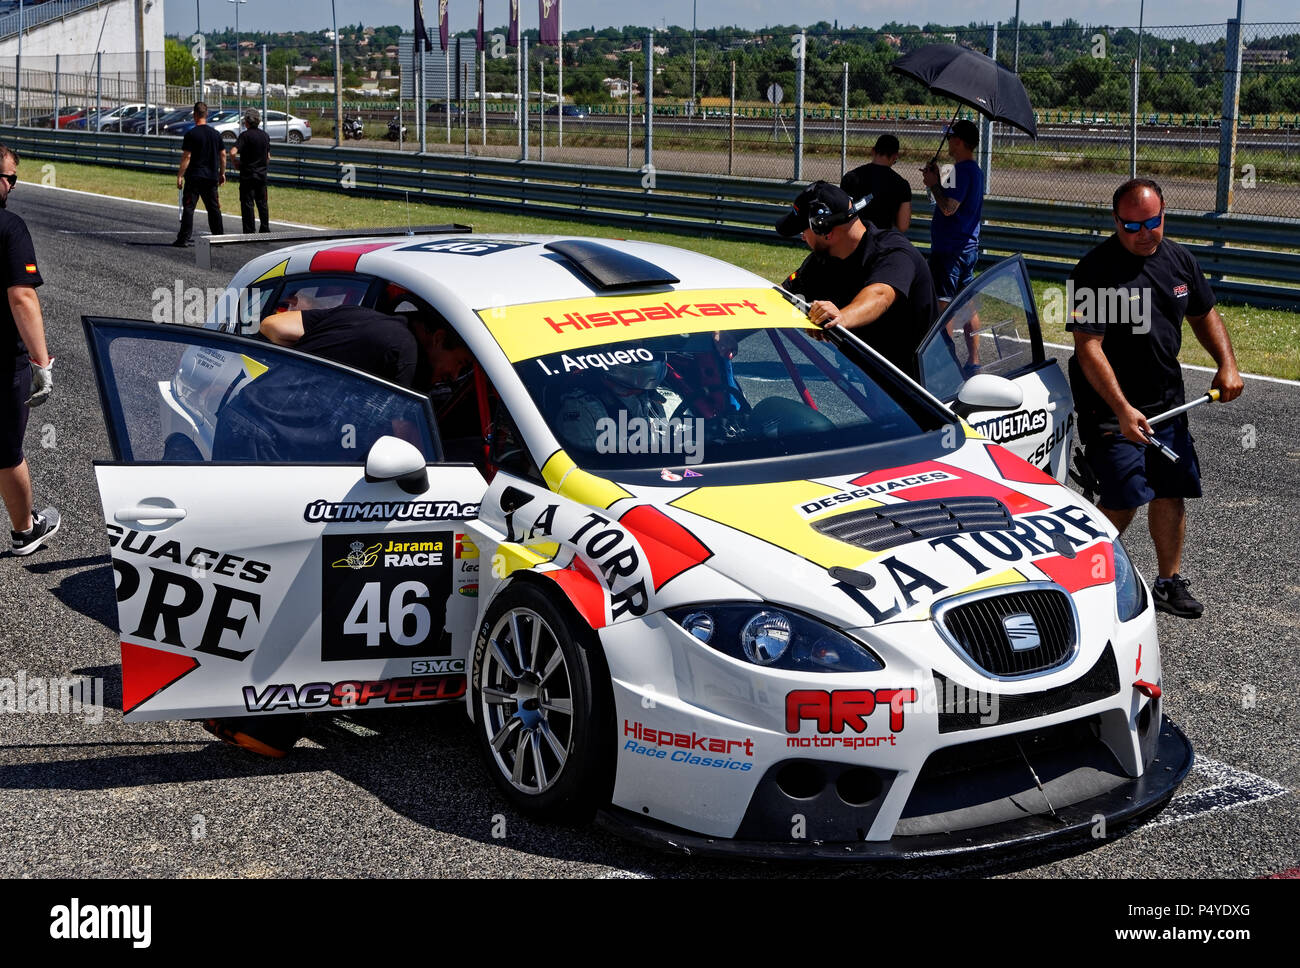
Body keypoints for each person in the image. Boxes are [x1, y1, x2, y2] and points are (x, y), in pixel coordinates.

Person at [1066, 177, 1243, 619]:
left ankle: (1168, 582)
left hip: (1169, 401)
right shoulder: (1093, 272)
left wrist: (1227, 363)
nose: (1144, 233)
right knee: (1123, 498)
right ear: (1115, 221)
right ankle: (1073, 582)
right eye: (1131, 225)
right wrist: (1122, 410)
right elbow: (1088, 349)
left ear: (1164, 214)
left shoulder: (1180, 259)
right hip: (1111, 409)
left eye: (1152, 222)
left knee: (1170, 489)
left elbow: (1205, 314)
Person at [776, 181, 936, 378]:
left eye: (803, 231)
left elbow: (880, 295)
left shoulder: (893, 252)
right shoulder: (822, 262)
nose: (802, 238)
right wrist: (729, 334)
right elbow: (779, 296)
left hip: (930, 390)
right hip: (881, 386)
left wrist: (841, 317)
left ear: (825, 230)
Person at [0, 144, 60, 556]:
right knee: (6, 450)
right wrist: (42, 362)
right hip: (3, 362)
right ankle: (25, 530)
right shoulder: (9, 227)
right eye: (7, 178)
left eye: (14, 179)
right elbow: (22, 296)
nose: (10, 187)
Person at [921, 118, 984, 308]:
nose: (947, 141)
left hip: (950, 251)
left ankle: (943, 339)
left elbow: (948, 207)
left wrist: (933, 184)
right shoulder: (973, 170)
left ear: (958, 140)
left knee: (943, 306)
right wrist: (937, 182)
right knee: (968, 307)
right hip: (966, 248)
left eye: (950, 137)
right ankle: (973, 339)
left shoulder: (961, 171)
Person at [173, 101, 225, 247]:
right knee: (213, 208)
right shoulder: (216, 134)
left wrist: (180, 175)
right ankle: (219, 238)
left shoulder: (191, 134)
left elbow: (187, 157)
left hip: (194, 177)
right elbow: (223, 155)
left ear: (195, 115)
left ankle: (183, 238)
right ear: (206, 114)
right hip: (210, 177)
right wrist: (222, 173)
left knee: (189, 208)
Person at [841, 134, 912, 233]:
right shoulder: (901, 184)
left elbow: (843, 214)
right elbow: (903, 225)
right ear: (895, 156)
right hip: (883, 241)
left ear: (873, 151)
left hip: (854, 239)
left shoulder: (850, 177)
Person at [228, 108, 271, 234]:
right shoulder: (265, 136)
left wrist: (235, 162)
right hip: (261, 175)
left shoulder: (245, 136)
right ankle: (265, 228)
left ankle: (249, 231)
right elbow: (268, 157)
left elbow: (232, 152)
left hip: (247, 174)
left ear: (247, 121)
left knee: (247, 203)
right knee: (262, 203)